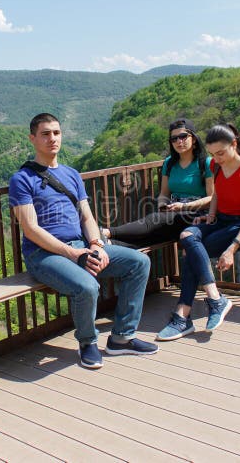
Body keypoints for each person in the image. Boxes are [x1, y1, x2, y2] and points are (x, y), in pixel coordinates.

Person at [9, 113, 159, 369]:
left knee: (139, 262)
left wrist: (95, 245)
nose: (52, 139)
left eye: (56, 133)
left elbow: (87, 215)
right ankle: (87, 342)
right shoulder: (22, 179)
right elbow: (31, 229)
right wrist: (72, 253)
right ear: (32, 138)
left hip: (81, 246)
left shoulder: (71, 174)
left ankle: (122, 337)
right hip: (44, 255)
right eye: (45, 134)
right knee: (88, 286)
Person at [156, 123, 240, 340]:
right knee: (187, 235)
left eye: (222, 153)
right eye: (214, 154)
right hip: (221, 220)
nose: (218, 159)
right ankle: (215, 298)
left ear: (234, 144)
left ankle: (182, 316)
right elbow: (216, 194)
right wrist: (211, 215)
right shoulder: (215, 165)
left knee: (190, 253)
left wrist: (231, 249)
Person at [101, 118, 213, 248]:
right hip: (173, 212)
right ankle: (110, 244)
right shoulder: (169, 163)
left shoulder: (206, 163)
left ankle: (107, 232)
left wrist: (185, 206)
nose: (179, 141)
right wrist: (162, 204)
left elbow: (212, 198)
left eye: (183, 136)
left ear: (193, 138)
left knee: (154, 221)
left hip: (197, 214)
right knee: (154, 236)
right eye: (174, 139)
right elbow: (164, 193)